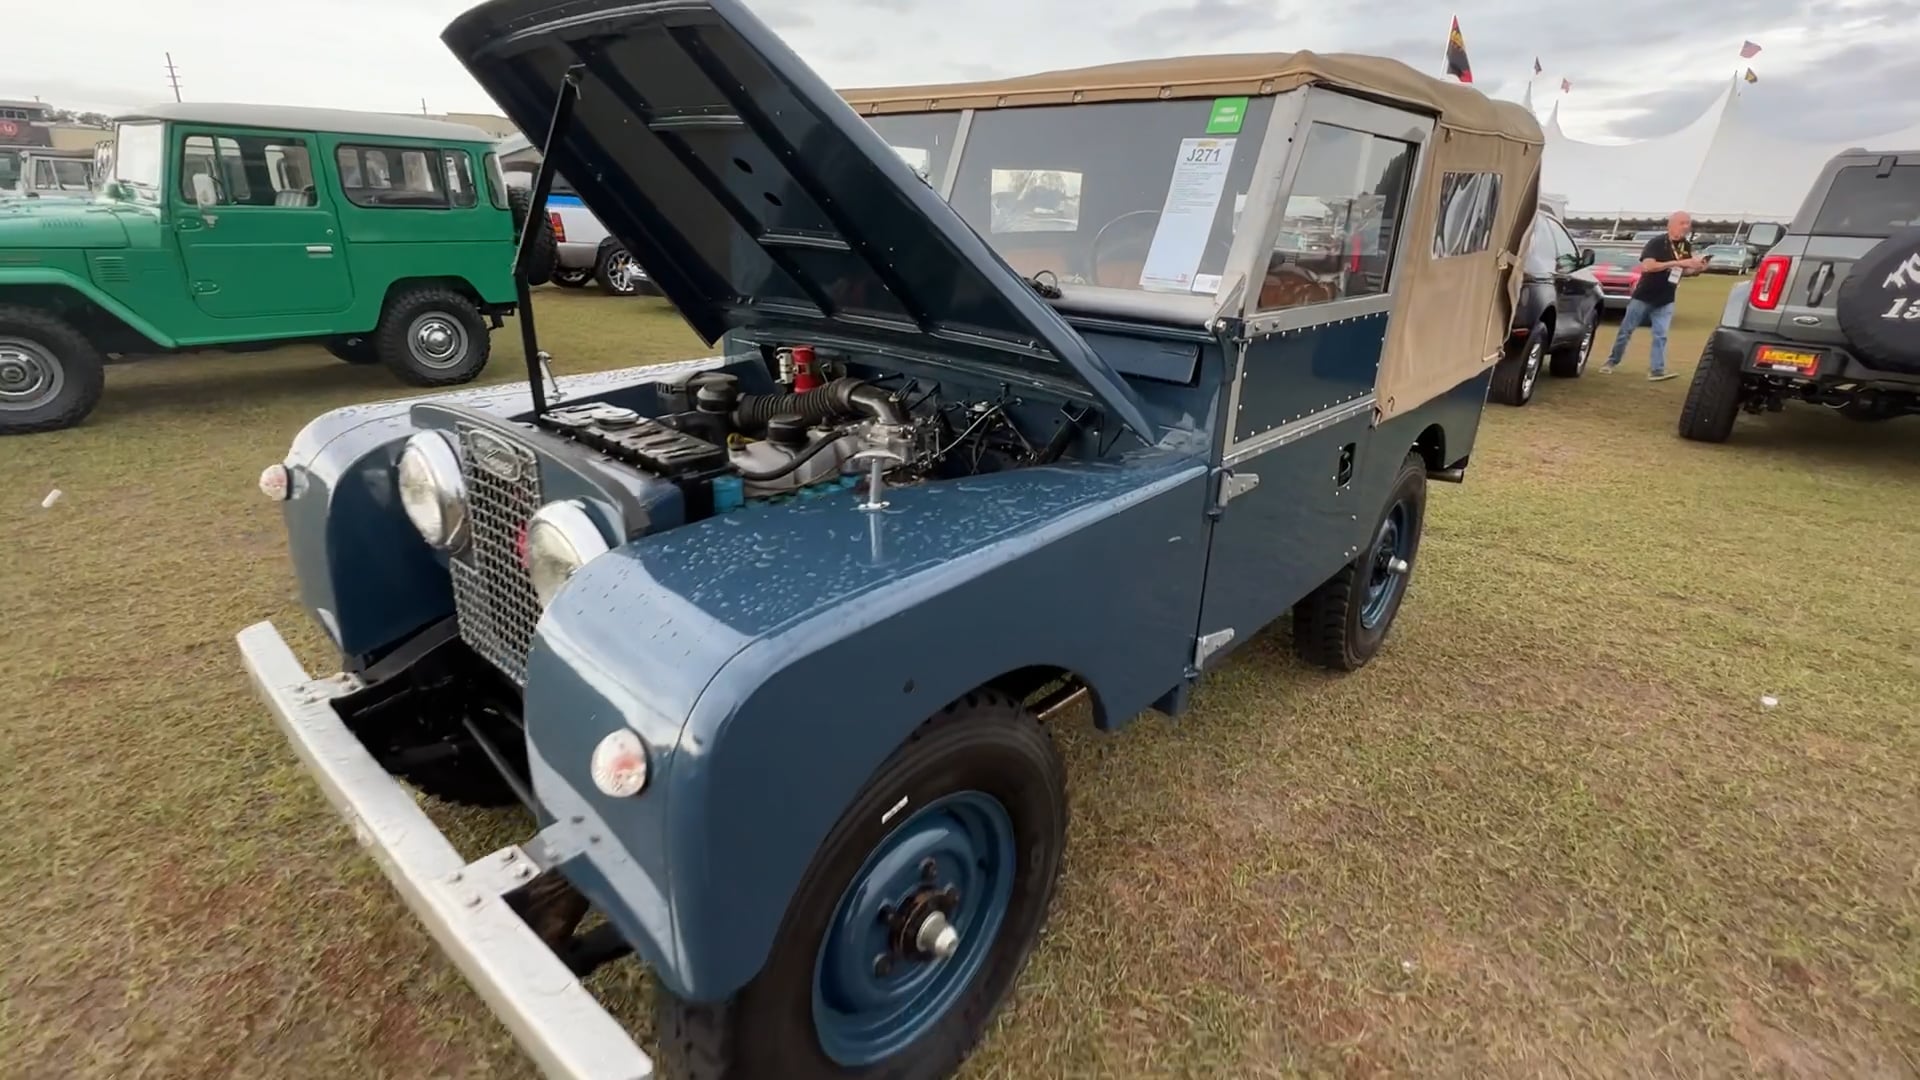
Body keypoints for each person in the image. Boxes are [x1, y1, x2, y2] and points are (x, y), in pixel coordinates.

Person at [1601, 211, 1707, 381]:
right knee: (1626, 331)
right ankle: (1612, 361)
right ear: (1671, 225)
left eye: (1688, 223)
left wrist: (1697, 269)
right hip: (1644, 296)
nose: (1686, 227)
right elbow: (1648, 267)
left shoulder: (1685, 246)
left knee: (1661, 334)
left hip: (1666, 298)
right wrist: (1678, 262)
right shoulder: (1657, 243)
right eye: (1682, 223)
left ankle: (1657, 370)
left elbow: (1684, 271)